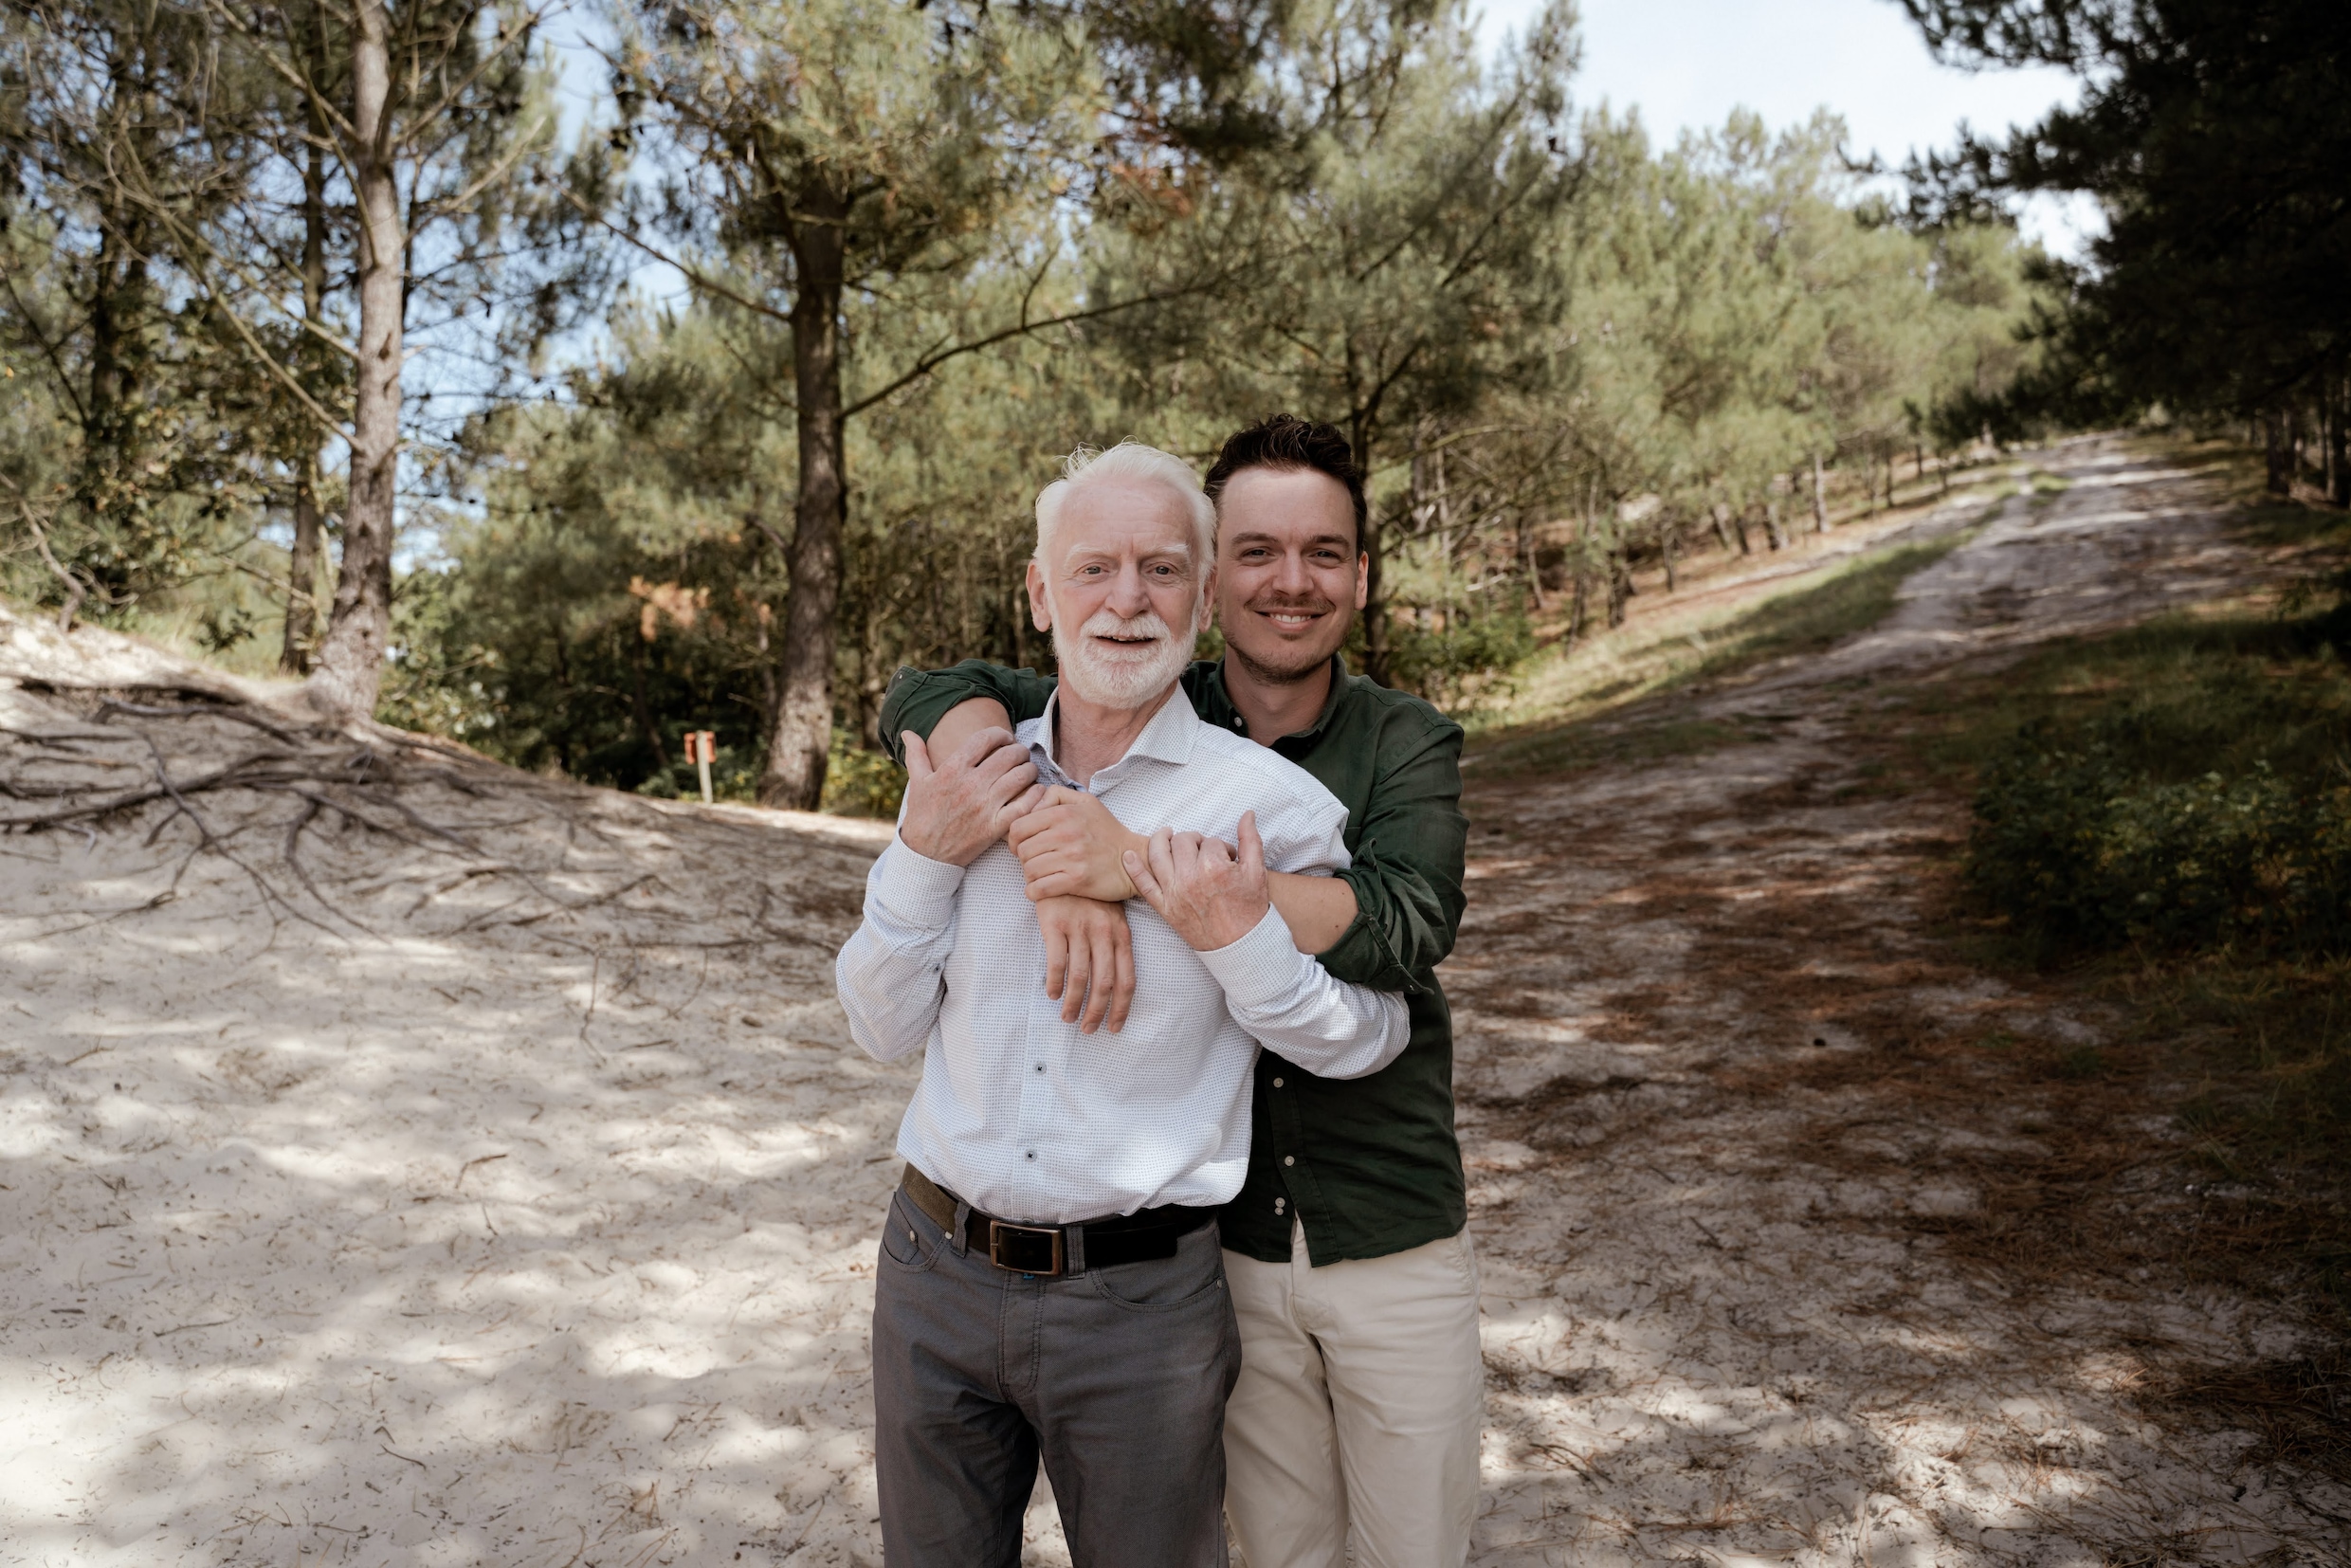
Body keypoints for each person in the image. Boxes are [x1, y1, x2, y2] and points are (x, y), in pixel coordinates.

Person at [880, 415, 1479, 1568]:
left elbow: (1408, 924)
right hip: (1223, 1242)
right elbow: (936, 689)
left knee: (1414, 1544)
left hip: (1381, 1215)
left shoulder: (1399, 740)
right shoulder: (1143, 674)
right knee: (1275, 1547)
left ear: (1360, 574)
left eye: (1321, 553)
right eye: (1255, 550)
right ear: (1217, 581)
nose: (1287, 582)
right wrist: (1054, 850)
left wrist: (1142, 872)